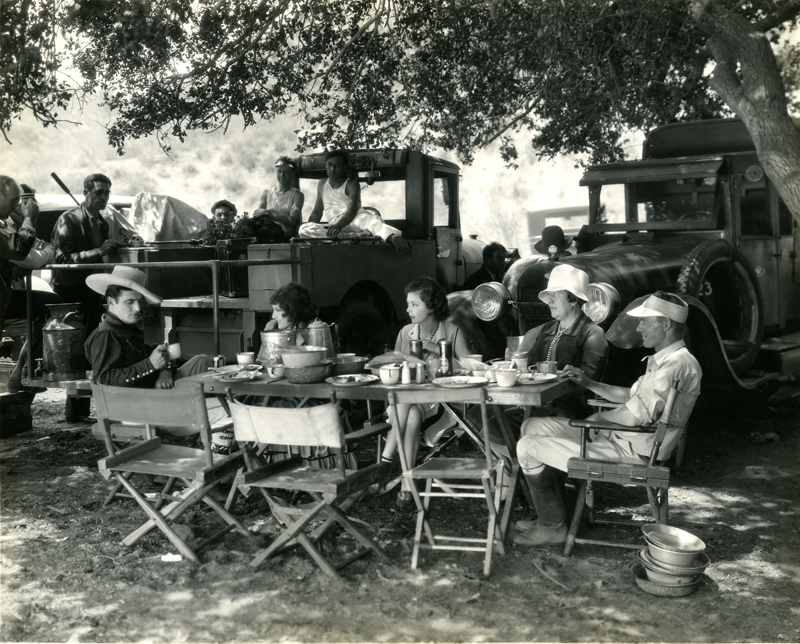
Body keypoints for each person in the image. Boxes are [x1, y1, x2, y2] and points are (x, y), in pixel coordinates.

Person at [512, 291, 702, 547]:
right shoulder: (668, 360)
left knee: (527, 447)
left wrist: (595, 422)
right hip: (622, 440)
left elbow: (633, 415)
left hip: (633, 453)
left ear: (666, 324)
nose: (640, 327)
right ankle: (553, 513)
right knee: (532, 425)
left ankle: (552, 526)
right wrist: (590, 383)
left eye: (646, 321)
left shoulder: (674, 366)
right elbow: (631, 396)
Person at [475, 264, 608, 460]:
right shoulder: (542, 331)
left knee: (496, 422)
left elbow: (588, 381)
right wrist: (512, 368)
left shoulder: (592, 333)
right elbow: (523, 368)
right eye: (549, 294)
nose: (549, 300)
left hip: (567, 410)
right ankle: (516, 467)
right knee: (479, 416)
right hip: (533, 404)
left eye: (556, 294)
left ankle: (518, 471)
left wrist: (546, 391)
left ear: (573, 299)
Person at [84, 266, 229, 432]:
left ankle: (206, 427)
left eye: (139, 301)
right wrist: (150, 365)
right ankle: (218, 449)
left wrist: (164, 370)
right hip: (140, 412)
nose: (138, 309)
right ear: (111, 302)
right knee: (229, 407)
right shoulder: (106, 335)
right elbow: (106, 380)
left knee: (201, 361)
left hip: (157, 397)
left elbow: (158, 356)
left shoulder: (126, 328)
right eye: (130, 302)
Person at [381, 276, 471, 507]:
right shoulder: (406, 333)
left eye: (414, 304)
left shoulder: (452, 332)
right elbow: (396, 366)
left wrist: (441, 353)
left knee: (409, 406)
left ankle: (384, 461)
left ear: (430, 306)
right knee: (410, 415)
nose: (408, 309)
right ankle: (406, 487)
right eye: (408, 304)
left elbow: (472, 368)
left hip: (439, 403)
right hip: (408, 403)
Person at [298, 149, 409, 252]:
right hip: (337, 230)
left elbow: (353, 208)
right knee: (304, 229)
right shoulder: (322, 183)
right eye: (330, 165)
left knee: (371, 220)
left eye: (337, 166)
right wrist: (307, 232)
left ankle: (392, 237)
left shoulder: (351, 183)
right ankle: (351, 238)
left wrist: (338, 225)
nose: (332, 169)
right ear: (326, 165)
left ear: (344, 167)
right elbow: (317, 213)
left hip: (353, 219)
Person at [243, 157, 304, 243]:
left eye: (286, 172)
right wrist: (281, 223)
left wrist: (267, 213)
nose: (282, 175)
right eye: (279, 171)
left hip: (279, 231)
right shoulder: (266, 193)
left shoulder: (297, 195)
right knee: (245, 225)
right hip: (272, 225)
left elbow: (291, 221)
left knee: (260, 235)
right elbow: (258, 214)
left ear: (293, 173)